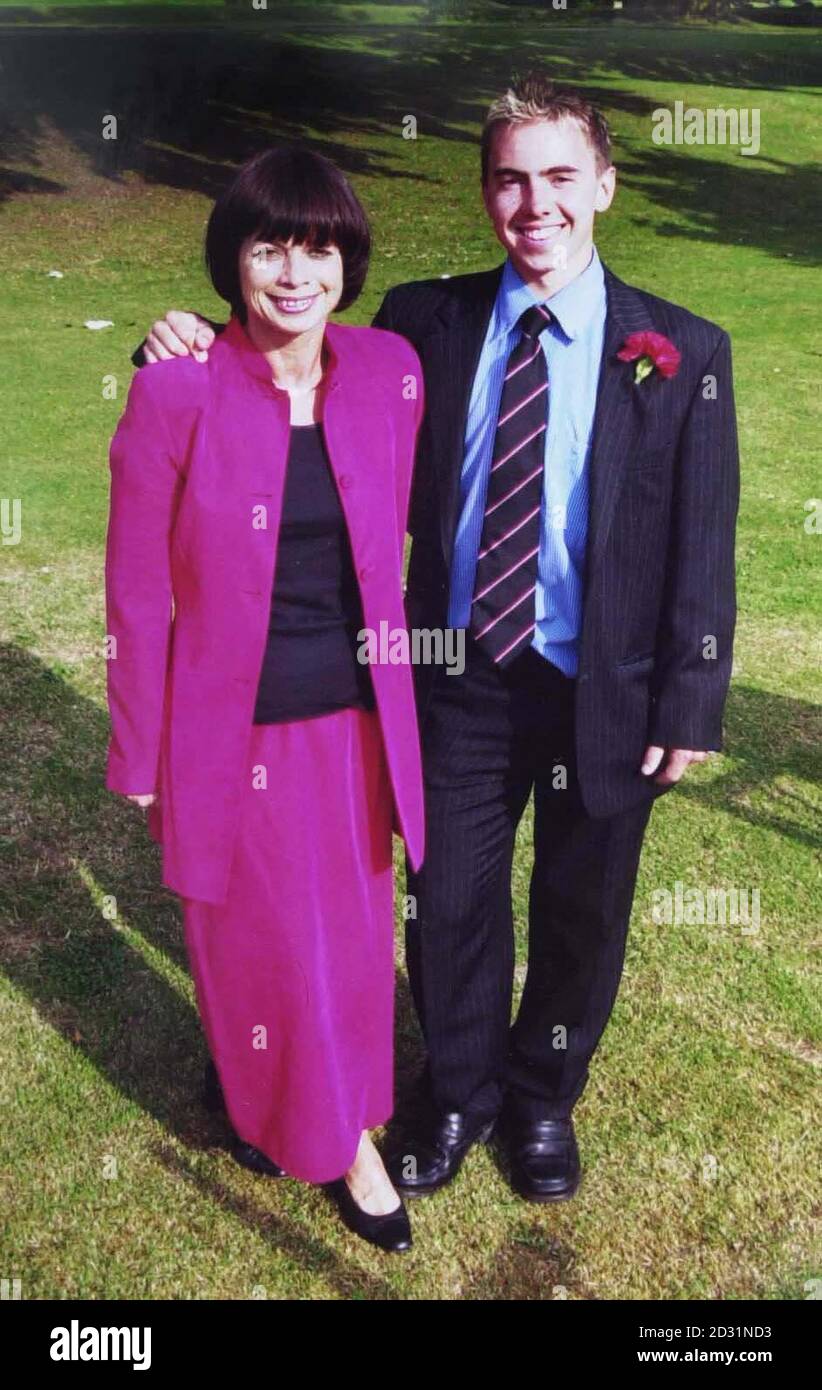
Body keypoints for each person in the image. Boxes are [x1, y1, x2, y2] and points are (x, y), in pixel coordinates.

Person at [132, 75, 740, 1206]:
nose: (535, 203)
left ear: (603, 185)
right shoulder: (424, 323)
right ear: (484, 193)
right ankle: (457, 1090)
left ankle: (543, 1094)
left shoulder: (681, 352)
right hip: (449, 677)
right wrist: (181, 338)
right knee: (449, 897)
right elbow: (287, 353)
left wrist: (691, 699)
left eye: (560, 176)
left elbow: (704, 537)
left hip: (603, 685)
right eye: (510, 178)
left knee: (581, 904)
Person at [105, 145, 425, 1252]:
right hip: (229, 726)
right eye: (270, 244)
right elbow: (138, 591)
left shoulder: (389, 371)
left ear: (350, 262)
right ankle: (330, 1138)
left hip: (358, 722)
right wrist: (142, 756)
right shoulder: (176, 387)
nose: (296, 272)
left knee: (343, 937)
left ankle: (325, 1114)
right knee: (266, 939)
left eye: (321, 246)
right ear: (232, 257)